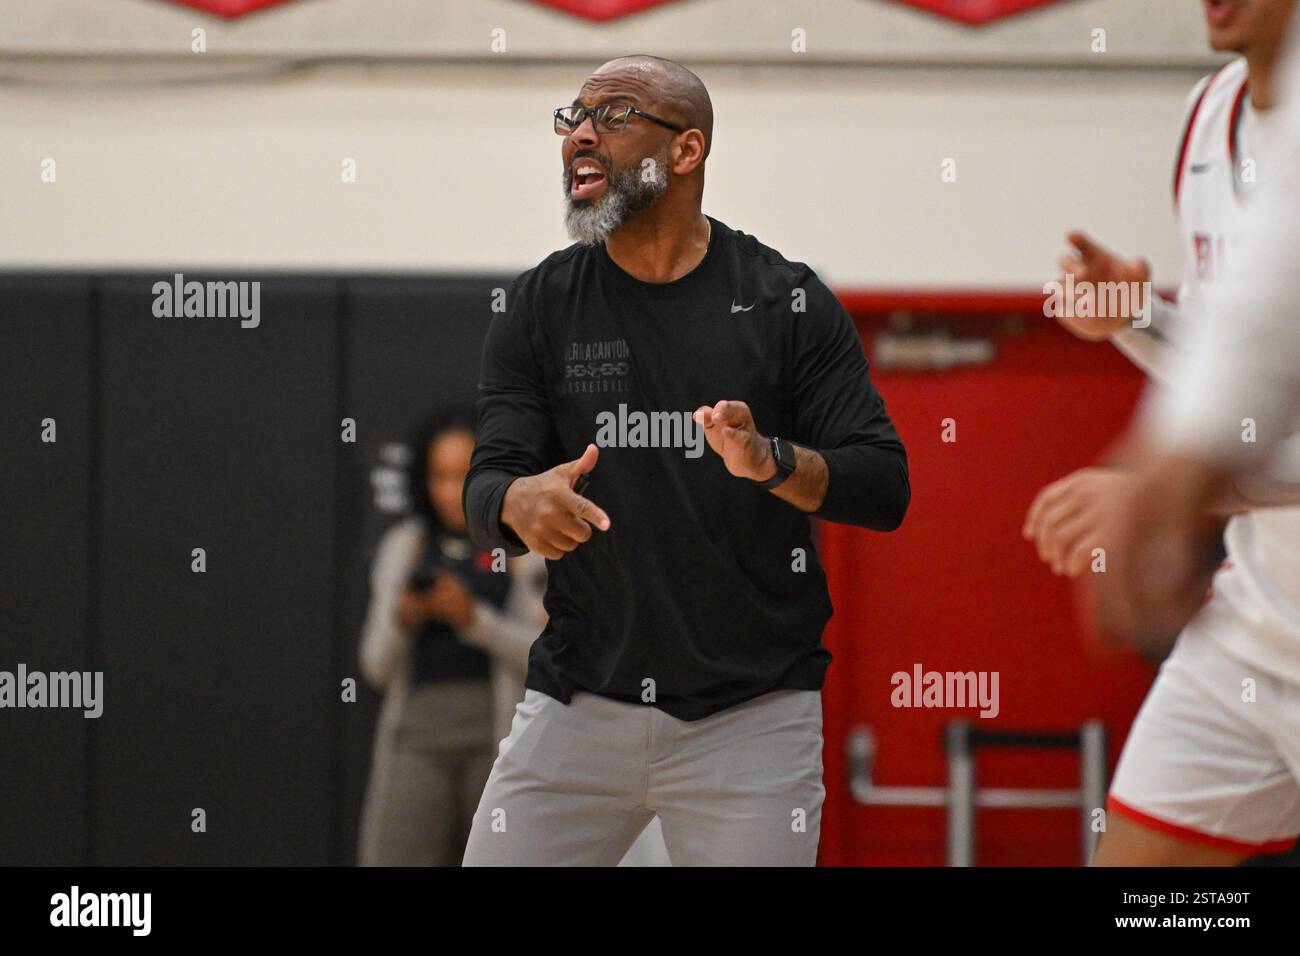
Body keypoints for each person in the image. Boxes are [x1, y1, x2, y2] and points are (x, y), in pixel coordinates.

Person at [460, 55, 909, 866]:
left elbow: (883, 485)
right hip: (578, 702)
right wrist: (517, 503)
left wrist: (770, 460)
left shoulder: (787, 302)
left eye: (615, 113)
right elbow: (486, 482)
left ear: (687, 151)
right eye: (573, 117)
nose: (580, 136)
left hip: (751, 719)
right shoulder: (539, 305)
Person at [1025, 0, 1300, 864]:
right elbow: (1248, 375)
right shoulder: (1209, 117)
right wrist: (1137, 317)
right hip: (1259, 626)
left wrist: (1168, 492)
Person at [357, 405, 544, 866]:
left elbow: (546, 658)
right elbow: (376, 667)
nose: (451, 492)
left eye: (464, 475)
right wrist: (404, 617)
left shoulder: (524, 551)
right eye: (439, 476)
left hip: (499, 739)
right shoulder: (405, 547)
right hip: (416, 738)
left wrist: (472, 619)